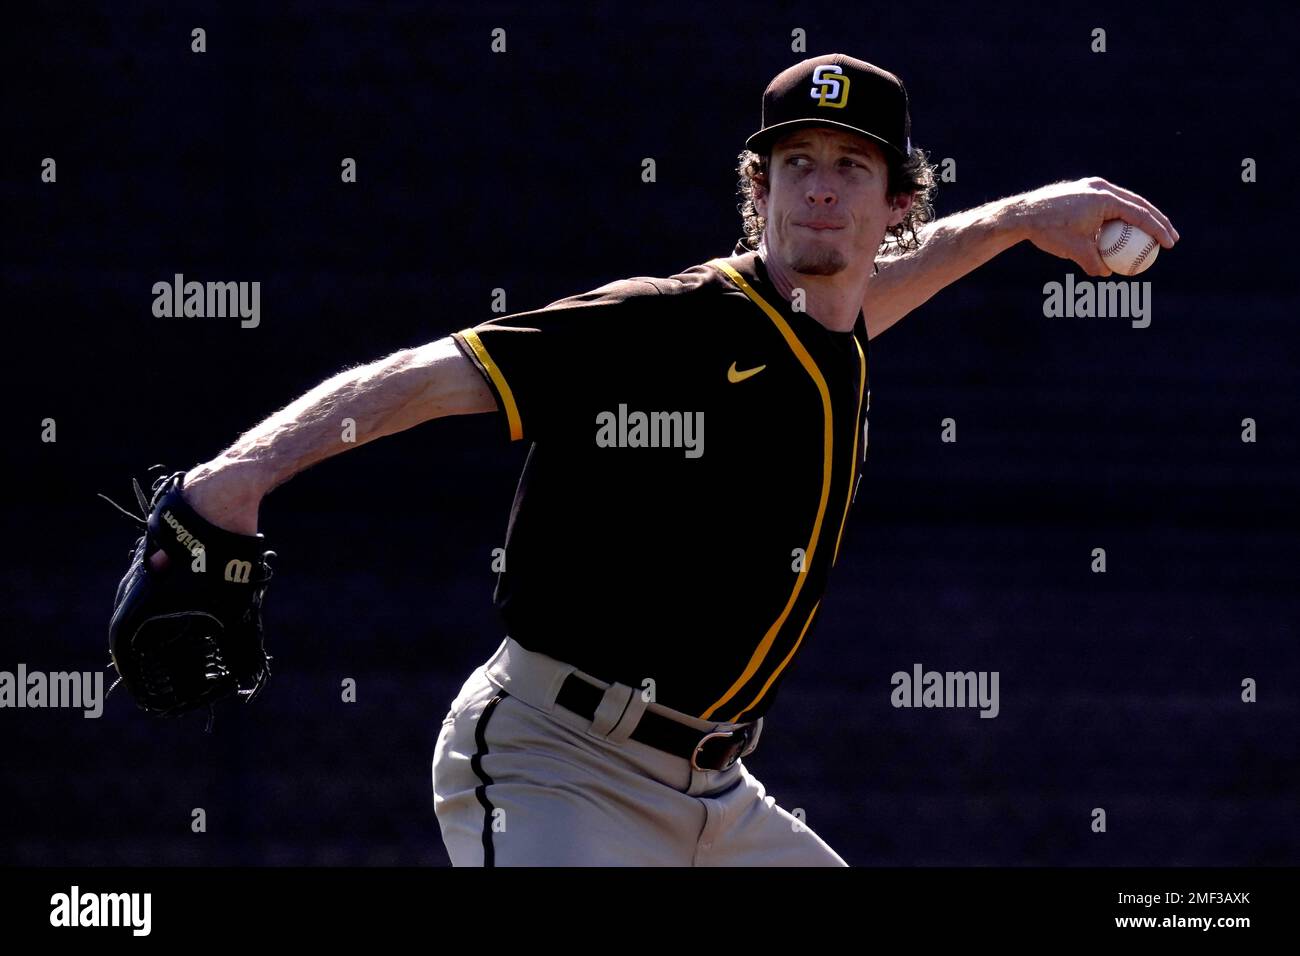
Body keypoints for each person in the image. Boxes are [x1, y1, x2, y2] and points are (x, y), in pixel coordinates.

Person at [154, 53, 1177, 865]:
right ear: (758, 187)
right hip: (557, 763)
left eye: (850, 168)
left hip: (719, 798)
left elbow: (874, 289)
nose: (819, 191)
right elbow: (427, 375)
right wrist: (231, 481)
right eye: (795, 165)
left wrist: (1023, 218)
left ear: (896, 202)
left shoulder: (835, 323)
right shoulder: (671, 323)